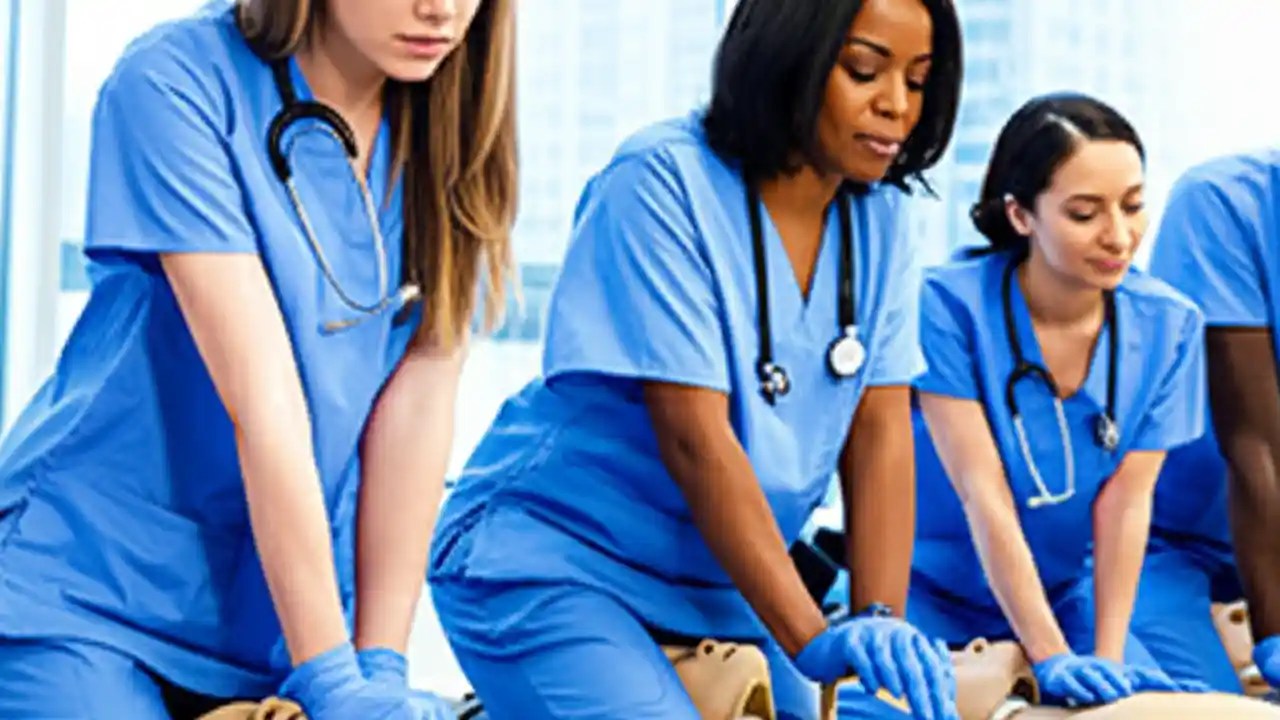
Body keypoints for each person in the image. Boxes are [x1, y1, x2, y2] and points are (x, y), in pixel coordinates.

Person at [427, 0, 964, 718]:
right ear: (787, 55)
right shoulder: (661, 181)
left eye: (920, 81)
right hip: (556, 557)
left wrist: (877, 627)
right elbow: (693, 436)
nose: (897, 105)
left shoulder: (885, 220)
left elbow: (880, 434)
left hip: (720, 584)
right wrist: (808, 636)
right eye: (863, 70)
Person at [0, 0, 516, 718]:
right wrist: (332, 681)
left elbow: (416, 413)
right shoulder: (176, 84)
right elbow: (265, 401)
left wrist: (376, 670)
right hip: (88, 591)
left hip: (279, 622)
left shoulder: (455, 130)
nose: (441, 9)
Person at [903, 94, 1209, 711]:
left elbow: (1126, 504)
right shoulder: (947, 306)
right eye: (1084, 213)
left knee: (1148, 704)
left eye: (1133, 206)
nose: (1118, 236)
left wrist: (1107, 654)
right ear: (1021, 215)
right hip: (928, 593)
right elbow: (980, 492)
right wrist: (1047, 656)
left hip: (1065, 594)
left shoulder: (1170, 327)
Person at [1139, 148, 1280, 693]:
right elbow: (1256, 449)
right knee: (1207, 706)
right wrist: (1274, 634)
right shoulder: (1222, 204)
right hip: (1168, 540)